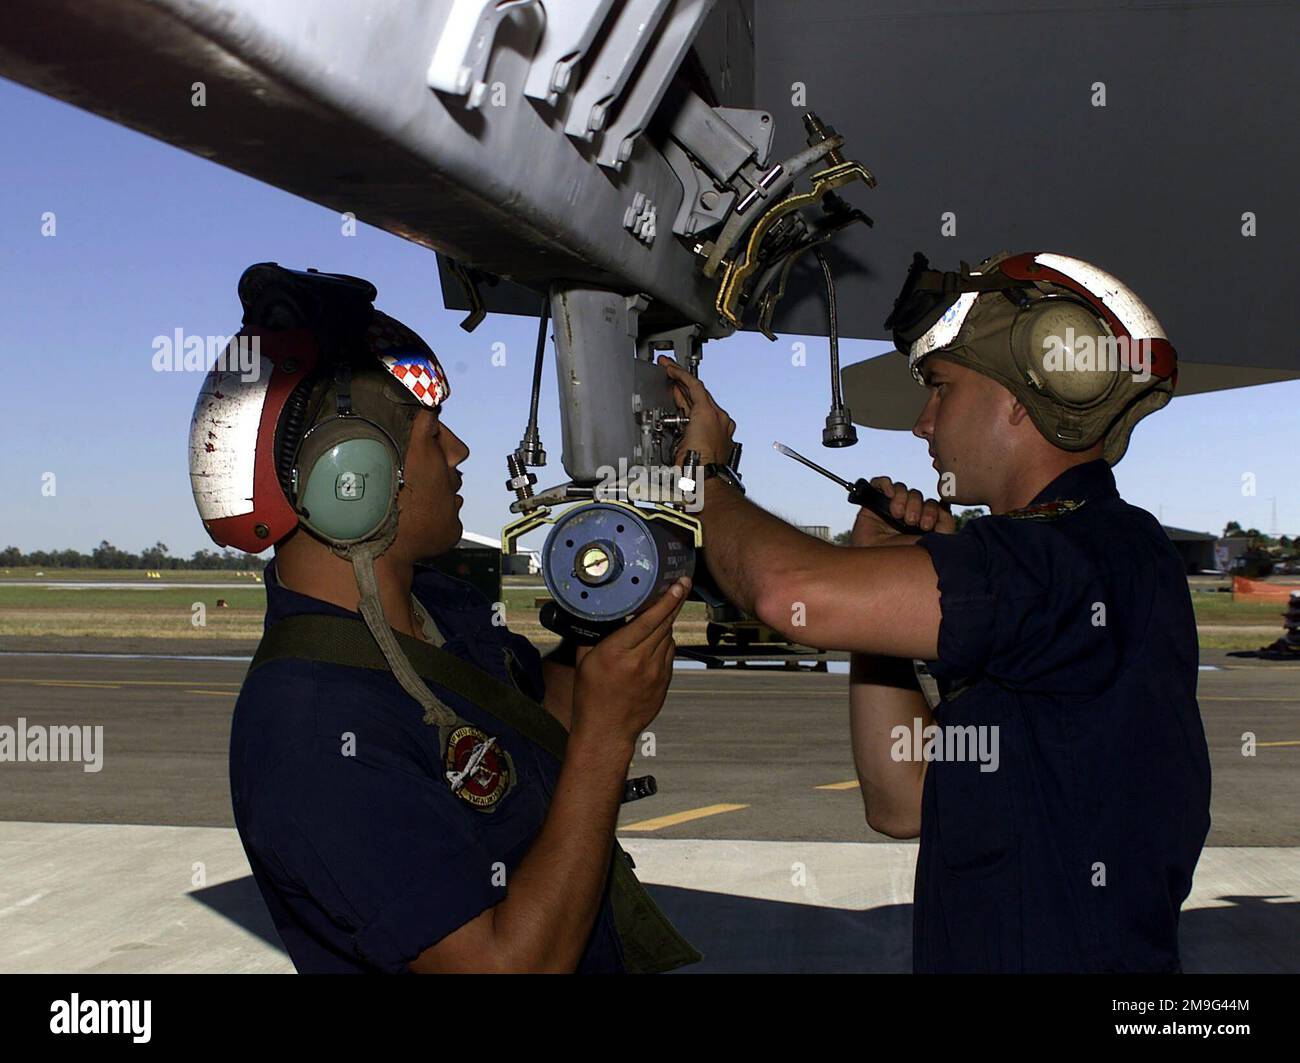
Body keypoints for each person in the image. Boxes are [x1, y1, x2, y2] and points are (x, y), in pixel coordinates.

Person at [656, 251, 1211, 973]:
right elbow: (901, 799)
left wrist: (704, 476)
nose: (922, 424)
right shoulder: (1069, 557)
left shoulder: (1071, 554)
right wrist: (877, 597)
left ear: (1024, 393)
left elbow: (790, 592)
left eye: (941, 388)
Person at [189, 263, 698, 974]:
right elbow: (502, 967)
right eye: (433, 435)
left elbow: (552, 707)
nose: (458, 451)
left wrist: (685, 485)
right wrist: (610, 738)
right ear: (354, 483)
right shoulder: (313, 734)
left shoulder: (442, 615)